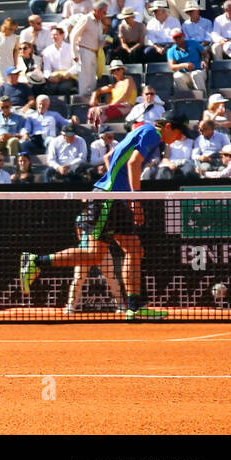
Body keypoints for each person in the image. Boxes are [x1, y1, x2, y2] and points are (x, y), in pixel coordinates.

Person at [20, 116, 186, 319]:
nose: (178, 139)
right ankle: (37, 261)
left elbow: (109, 157)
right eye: (178, 134)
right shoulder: (152, 133)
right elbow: (134, 163)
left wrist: (120, 185)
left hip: (117, 197)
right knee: (94, 254)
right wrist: (135, 201)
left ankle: (133, 307)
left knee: (133, 250)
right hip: (109, 198)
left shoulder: (143, 131)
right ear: (169, 127)